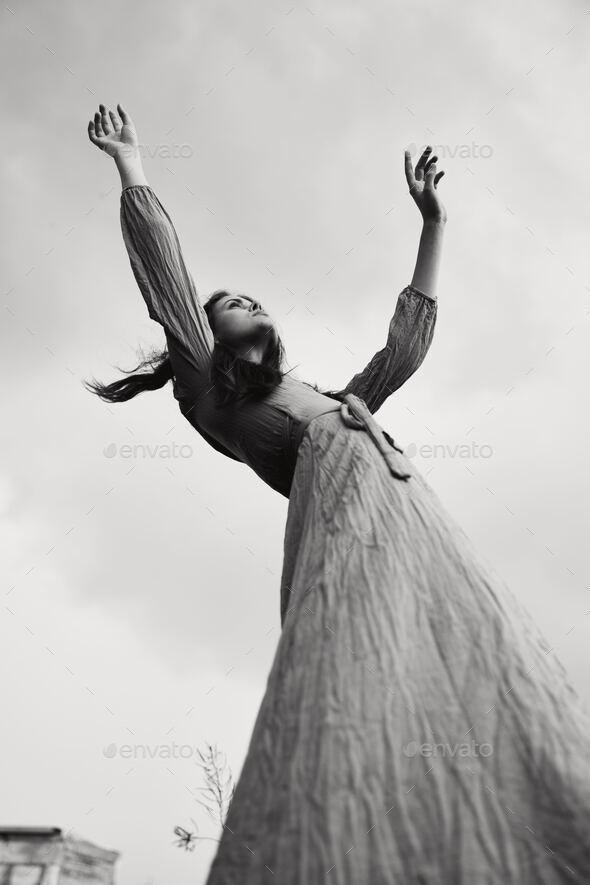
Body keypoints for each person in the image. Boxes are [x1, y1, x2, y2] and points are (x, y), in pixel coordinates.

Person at [87, 104, 590, 884]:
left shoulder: (326, 398)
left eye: (252, 295)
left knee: (477, 643)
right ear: (206, 333)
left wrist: (435, 223)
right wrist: (131, 165)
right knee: (359, 654)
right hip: (344, 520)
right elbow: (169, 279)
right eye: (230, 302)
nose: (245, 300)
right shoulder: (208, 392)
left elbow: (403, 351)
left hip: (409, 505)